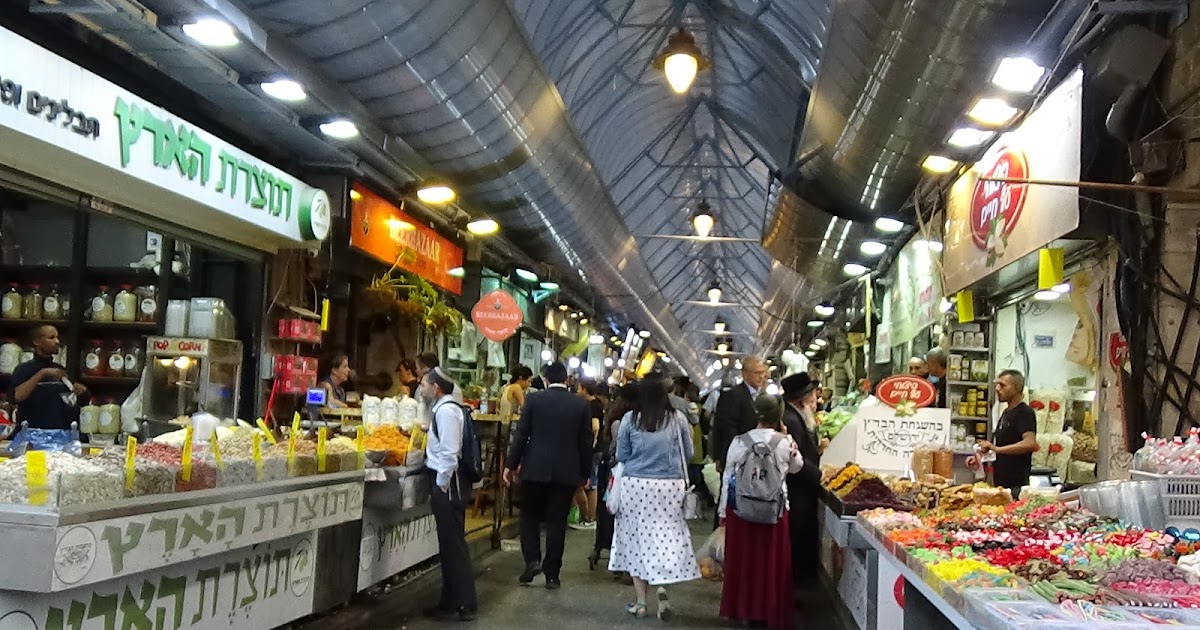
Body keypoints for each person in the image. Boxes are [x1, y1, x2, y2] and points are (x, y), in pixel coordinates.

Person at [609, 372, 699, 621]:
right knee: (666, 536)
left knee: (637, 539)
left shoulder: (629, 419)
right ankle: (662, 586)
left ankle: (640, 602)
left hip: (636, 485)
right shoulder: (678, 418)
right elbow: (688, 453)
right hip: (670, 486)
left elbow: (621, 455)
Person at [503, 362, 592, 590]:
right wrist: (585, 472)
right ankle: (553, 574)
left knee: (529, 517)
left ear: (545, 379)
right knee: (556, 523)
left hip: (535, 469)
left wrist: (510, 465)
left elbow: (522, 435)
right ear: (566, 379)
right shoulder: (580, 404)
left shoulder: (534, 400)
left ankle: (532, 561)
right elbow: (585, 441)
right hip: (566, 472)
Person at [720, 395, 804, 630]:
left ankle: (743, 610)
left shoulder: (739, 441)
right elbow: (798, 468)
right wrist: (789, 439)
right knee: (771, 563)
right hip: (774, 509)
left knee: (744, 562)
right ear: (778, 416)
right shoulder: (785, 442)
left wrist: (723, 512)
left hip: (741, 508)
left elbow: (728, 476)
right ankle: (770, 611)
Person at [421, 367, 478, 621]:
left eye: (424, 384)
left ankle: (464, 603)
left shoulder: (446, 412)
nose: (422, 388)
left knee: (454, 545)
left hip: (449, 485)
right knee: (448, 545)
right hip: (448, 484)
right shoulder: (445, 410)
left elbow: (450, 452)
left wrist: (441, 484)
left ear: (436, 388)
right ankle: (449, 599)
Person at [711, 357, 770, 528]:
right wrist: (722, 457)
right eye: (757, 373)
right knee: (728, 496)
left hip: (758, 458)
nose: (762, 377)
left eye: (764, 373)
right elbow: (725, 428)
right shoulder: (733, 396)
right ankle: (722, 532)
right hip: (736, 456)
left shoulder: (765, 397)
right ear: (745, 374)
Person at [780, 373, 824, 591]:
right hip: (797, 490)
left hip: (800, 488)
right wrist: (819, 475)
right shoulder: (791, 420)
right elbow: (795, 459)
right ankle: (790, 589)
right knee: (795, 539)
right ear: (801, 399)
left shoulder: (795, 416)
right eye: (812, 395)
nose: (815, 399)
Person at [591, 381, 639, 571]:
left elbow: (617, 449)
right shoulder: (634, 420)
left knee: (613, 511)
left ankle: (611, 546)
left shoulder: (618, 419)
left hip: (615, 471)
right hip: (620, 473)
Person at [10, 325, 85, 430]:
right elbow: (17, 396)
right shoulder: (24, 369)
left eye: (57, 337)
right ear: (37, 341)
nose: (57, 341)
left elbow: (69, 398)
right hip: (31, 435)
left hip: (58, 435)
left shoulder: (59, 370)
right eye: (51, 337)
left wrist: (78, 390)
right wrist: (42, 373)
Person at [977, 370, 1038, 494]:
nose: (998, 389)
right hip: (1001, 484)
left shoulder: (1024, 412)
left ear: (1016, 388)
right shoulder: (1006, 413)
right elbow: (1002, 444)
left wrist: (997, 449)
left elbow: (1030, 443)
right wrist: (982, 456)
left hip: (1016, 486)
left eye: (1003, 385)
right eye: (997, 385)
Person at [570, 378, 605, 531]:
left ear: (584, 389)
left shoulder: (592, 405)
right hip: (596, 449)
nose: (577, 391)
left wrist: (590, 445)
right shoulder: (596, 403)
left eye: (579, 388)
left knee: (590, 484)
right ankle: (589, 517)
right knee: (591, 483)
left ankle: (589, 518)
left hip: (593, 450)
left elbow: (595, 426)